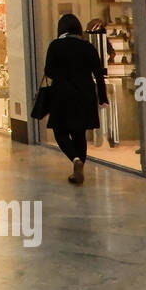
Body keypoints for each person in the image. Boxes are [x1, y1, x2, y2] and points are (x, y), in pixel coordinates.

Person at [43, 13, 109, 185]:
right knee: (79, 132)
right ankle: (79, 165)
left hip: (62, 94)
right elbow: (98, 74)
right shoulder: (87, 47)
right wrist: (102, 97)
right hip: (85, 94)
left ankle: (75, 159)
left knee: (60, 131)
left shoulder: (55, 46)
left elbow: (49, 71)